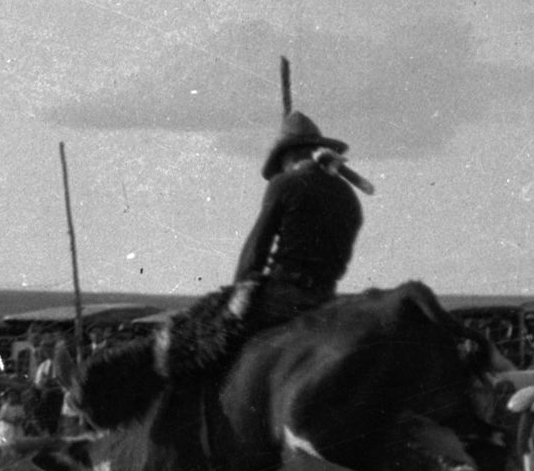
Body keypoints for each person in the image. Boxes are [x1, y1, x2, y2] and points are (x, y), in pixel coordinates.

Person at [154, 109, 373, 379]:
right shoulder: (347, 194)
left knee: (198, 342)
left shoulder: (284, 184)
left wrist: (239, 290)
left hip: (282, 296)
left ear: (287, 157)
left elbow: (256, 247)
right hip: (325, 296)